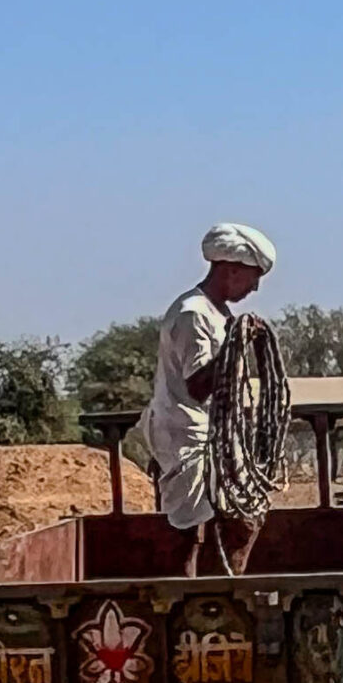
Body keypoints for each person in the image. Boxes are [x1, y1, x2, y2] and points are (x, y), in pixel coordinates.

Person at [134, 221, 275, 576]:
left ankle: (221, 589)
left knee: (242, 520)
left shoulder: (217, 313)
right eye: (253, 277)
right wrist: (237, 343)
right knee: (188, 530)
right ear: (231, 270)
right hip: (187, 432)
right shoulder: (193, 313)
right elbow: (197, 386)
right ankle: (189, 595)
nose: (255, 288)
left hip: (212, 434)